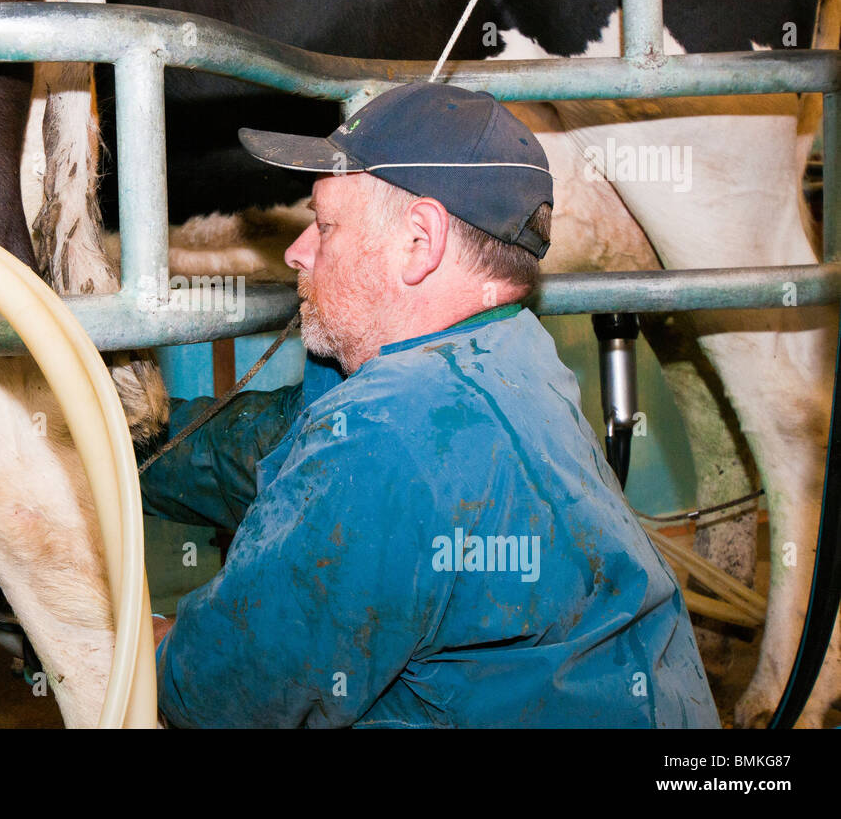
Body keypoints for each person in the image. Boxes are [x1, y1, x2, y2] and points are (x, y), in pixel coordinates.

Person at [140, 81, 721, 728]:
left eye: (325, 225)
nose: (297, 251)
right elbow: (275, 445)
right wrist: (131, 434)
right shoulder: (510, 353)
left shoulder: (386, 435)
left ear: (421, 241)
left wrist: (142, 642)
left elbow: (222, 693)